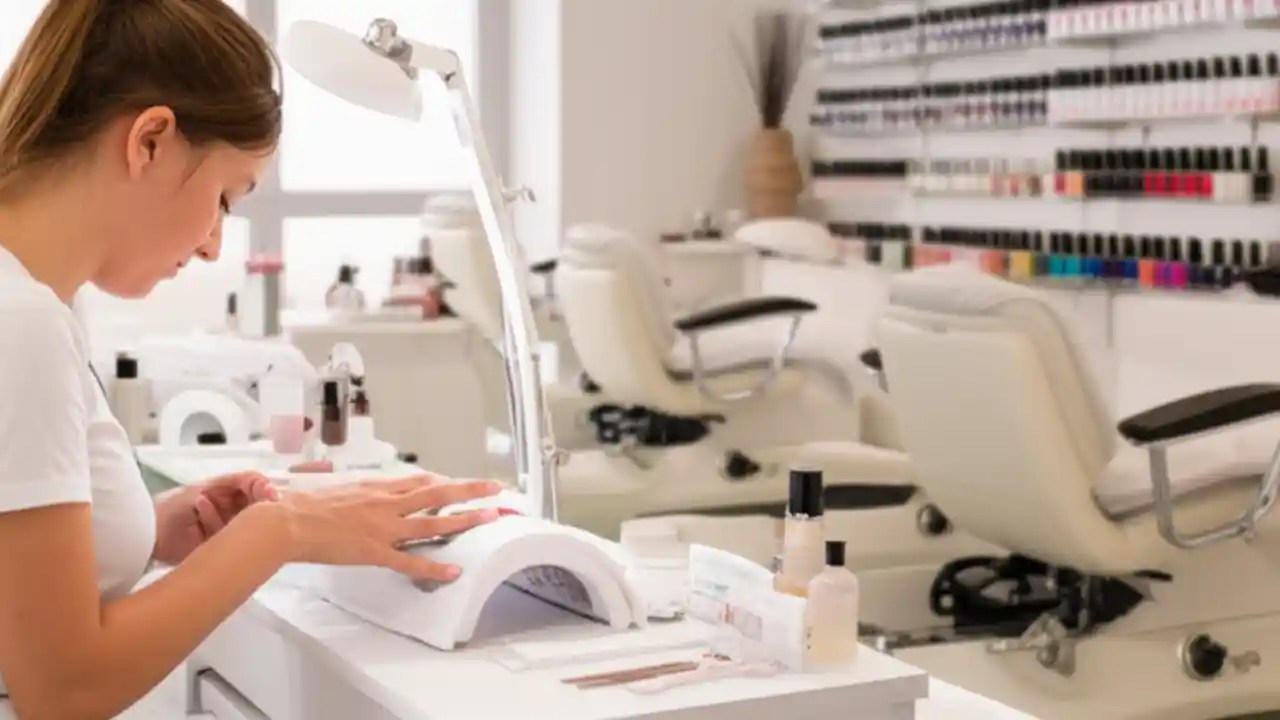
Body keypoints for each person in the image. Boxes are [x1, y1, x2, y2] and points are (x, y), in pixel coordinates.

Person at [0, 1, 503, 717]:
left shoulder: (31, 304)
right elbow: (64, 689)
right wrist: (281, 532)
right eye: (225, 198)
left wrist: (146, 529)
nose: (211, 244)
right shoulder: (21, 323)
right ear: (150, 141)